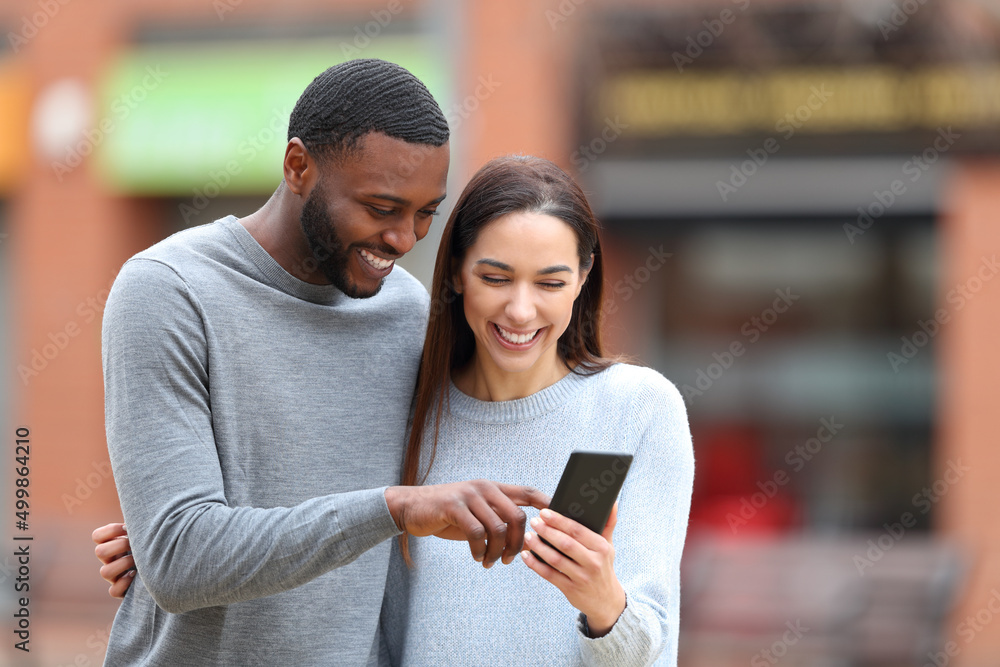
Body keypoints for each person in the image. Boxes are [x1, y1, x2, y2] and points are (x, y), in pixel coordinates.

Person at [100, 155, 695, 665]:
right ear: (458, 272)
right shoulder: (408, 400)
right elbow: (333, 522)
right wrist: (165, 544)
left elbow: (650, 645)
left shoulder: (633, 409)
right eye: (496, 276)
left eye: (549, 282)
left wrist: (601, 603)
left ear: (583, 278)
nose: (520, 310)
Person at [96, 59, 547, 666]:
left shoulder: (409, 314)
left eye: (425, 213)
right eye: (381, 207)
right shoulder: (170, 291)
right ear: (298, 166)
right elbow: (181, 562)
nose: (404, 240)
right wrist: (393, 509)